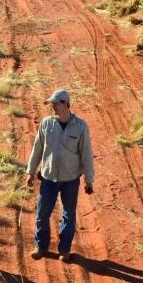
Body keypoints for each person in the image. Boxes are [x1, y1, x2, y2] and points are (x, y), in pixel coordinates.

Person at [25, 88, 94, 263]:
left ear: (65, 104)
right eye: (51, 104)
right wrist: (30, 172)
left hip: (70, 179)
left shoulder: (80, 126)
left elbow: (86, 153)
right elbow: (37, 148)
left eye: (55, 103)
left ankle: (64, 250)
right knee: (42, 214)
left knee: (69, 215)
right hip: (48, 177)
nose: (52, 106)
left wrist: (89, 180)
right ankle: (41, 246)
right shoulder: (46, 123)